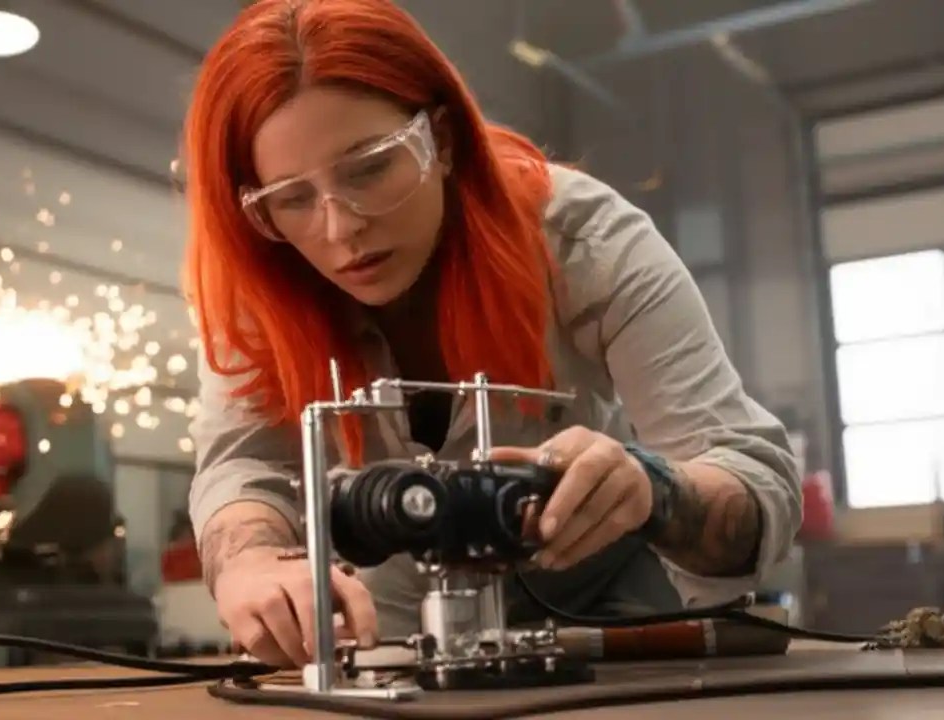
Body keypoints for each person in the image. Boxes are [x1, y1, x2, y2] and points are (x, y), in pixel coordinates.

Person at [181, 0, 801, 670]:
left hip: (606, 640)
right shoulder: (263, 281)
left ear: (441, 141)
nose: (339, 230)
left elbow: (755, 481)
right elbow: (243, 466)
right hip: (386, 649)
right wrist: (249, 562)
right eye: (293, 199)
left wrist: (654, 489)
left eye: (370, 168)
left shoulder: (584, 242)